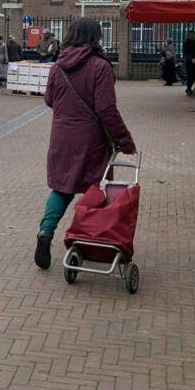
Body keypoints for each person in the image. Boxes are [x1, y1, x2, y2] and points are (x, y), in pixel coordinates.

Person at [35, 17, 137, 270]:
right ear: (96, 37)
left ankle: (45, 232)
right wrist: (124, 140)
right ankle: (89, 237)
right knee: (98, 186)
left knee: (62, 187)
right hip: (91, 138)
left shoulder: (57, 66)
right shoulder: (100, 66)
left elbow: (49, 100)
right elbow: (106, 108)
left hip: (61, 135)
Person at [183, 29, 195, 96]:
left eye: (193, 34)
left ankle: (194, 89)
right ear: (188, 35)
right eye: (190, 35)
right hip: (189, 62)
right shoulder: (186, 42)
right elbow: (185, 53)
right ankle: (188, 89)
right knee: (190, 76)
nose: (192, 36)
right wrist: (191, 59)